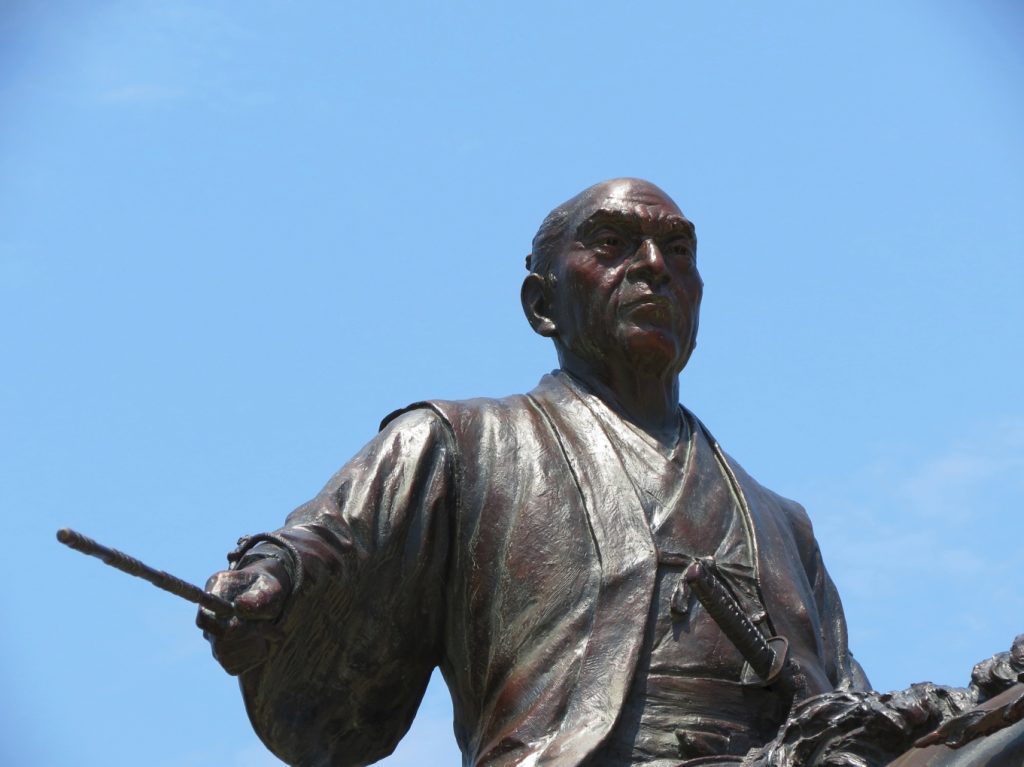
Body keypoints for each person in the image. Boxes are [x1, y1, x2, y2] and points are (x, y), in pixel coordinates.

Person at [198, 179, 900, 767]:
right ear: (542, 304)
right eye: (614, 244)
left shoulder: (782, 522)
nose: (655, 263)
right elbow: (327, 540)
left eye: (677, 248)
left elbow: (848, 702)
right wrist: (268, 580)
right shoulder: (463, 442)